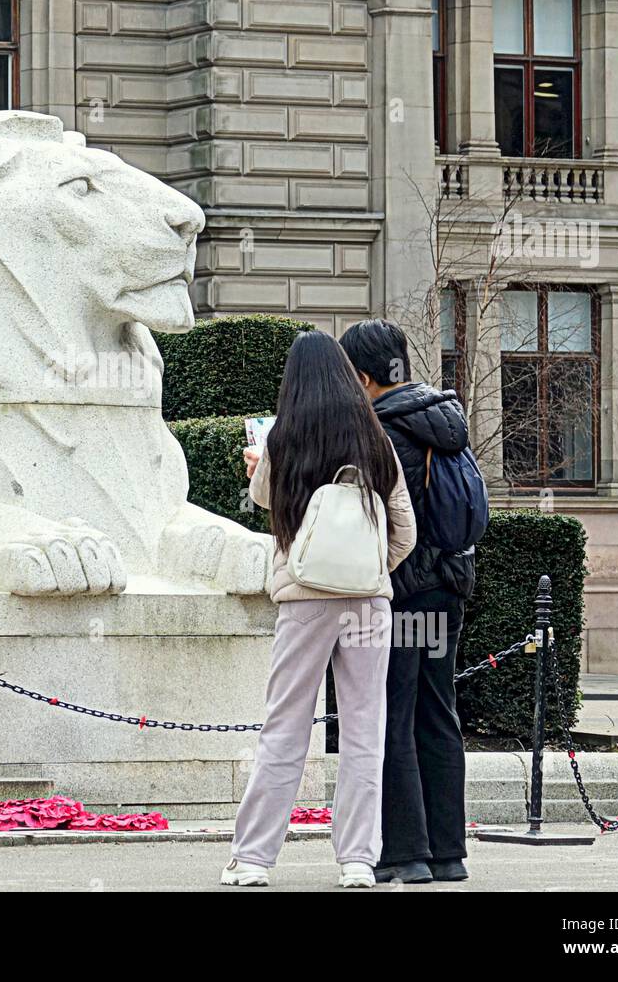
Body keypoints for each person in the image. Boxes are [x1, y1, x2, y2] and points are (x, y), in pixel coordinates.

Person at [222, 330, 416, 889]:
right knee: (364, 731)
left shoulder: (286, 436)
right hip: (368, 605)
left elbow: (263, 499)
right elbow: (404, 529)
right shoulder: (374, 438)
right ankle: (357, 860)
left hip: (303, 602)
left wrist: (258, 463)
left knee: (284, 728)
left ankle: (254, 860)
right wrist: (370, 571)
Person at [338, 318, 479, 885]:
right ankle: (449, 853)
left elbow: (367, 518)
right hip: (449, 588)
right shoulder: (445, 419)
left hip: (400, 592)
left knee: (391, 716)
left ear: (366, 375)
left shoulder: (379, 431)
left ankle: (405, 853)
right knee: (438, 712)